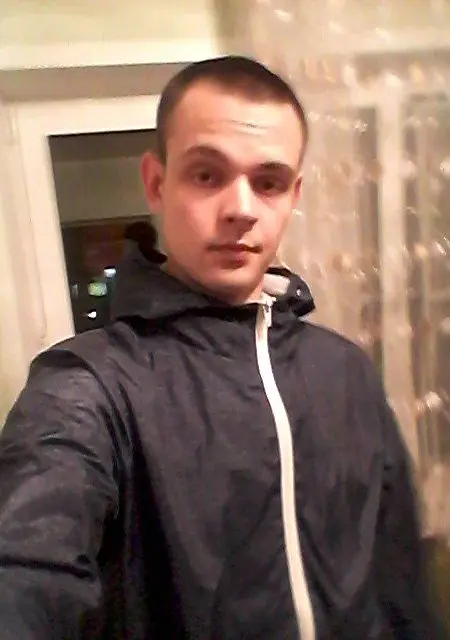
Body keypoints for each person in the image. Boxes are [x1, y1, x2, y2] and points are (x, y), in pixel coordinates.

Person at [0, 56, 440, 639]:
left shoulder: (345, 371)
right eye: (207, 175)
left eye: (269, 182)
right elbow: (27, 569)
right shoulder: (90, 384)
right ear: (157, 183)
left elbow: (399, 577)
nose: (241, 209)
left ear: (293, 195)